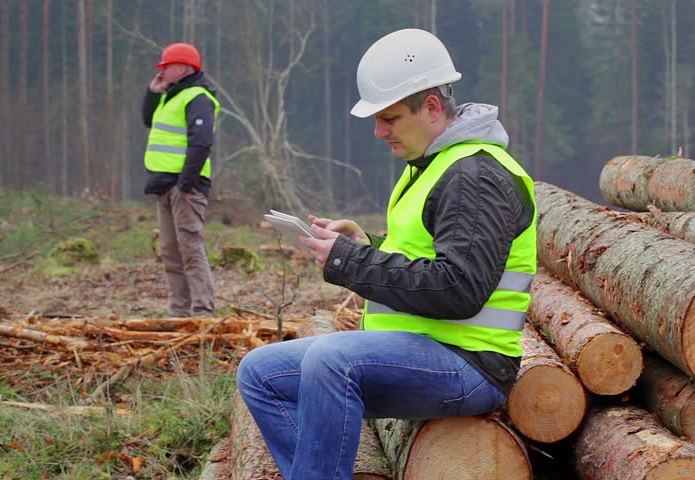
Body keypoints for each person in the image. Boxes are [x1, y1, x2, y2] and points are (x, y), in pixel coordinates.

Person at [237, 28, 537, 479]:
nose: (379, 132)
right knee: (259, 372)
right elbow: (424, 256)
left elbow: (458, 289)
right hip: (425, 351)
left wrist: (348, 261)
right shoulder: (433, 166)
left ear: (432, 107)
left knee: (330, 360)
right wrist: (366, 246)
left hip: (470, 363)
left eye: (390, 118)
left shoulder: (474, 176)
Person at [142, 42, 220, 317]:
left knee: (190, 250)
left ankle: (202, 313)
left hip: (185, 187)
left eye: (166, 66)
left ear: (184, 68)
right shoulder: (170, 96)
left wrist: (185, 184)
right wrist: (152, 94)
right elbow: (148, 121)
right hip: (165, 185)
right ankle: (179, 312)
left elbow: (201, 143)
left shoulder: (197, 97)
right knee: (170, 252)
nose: (162, 71)